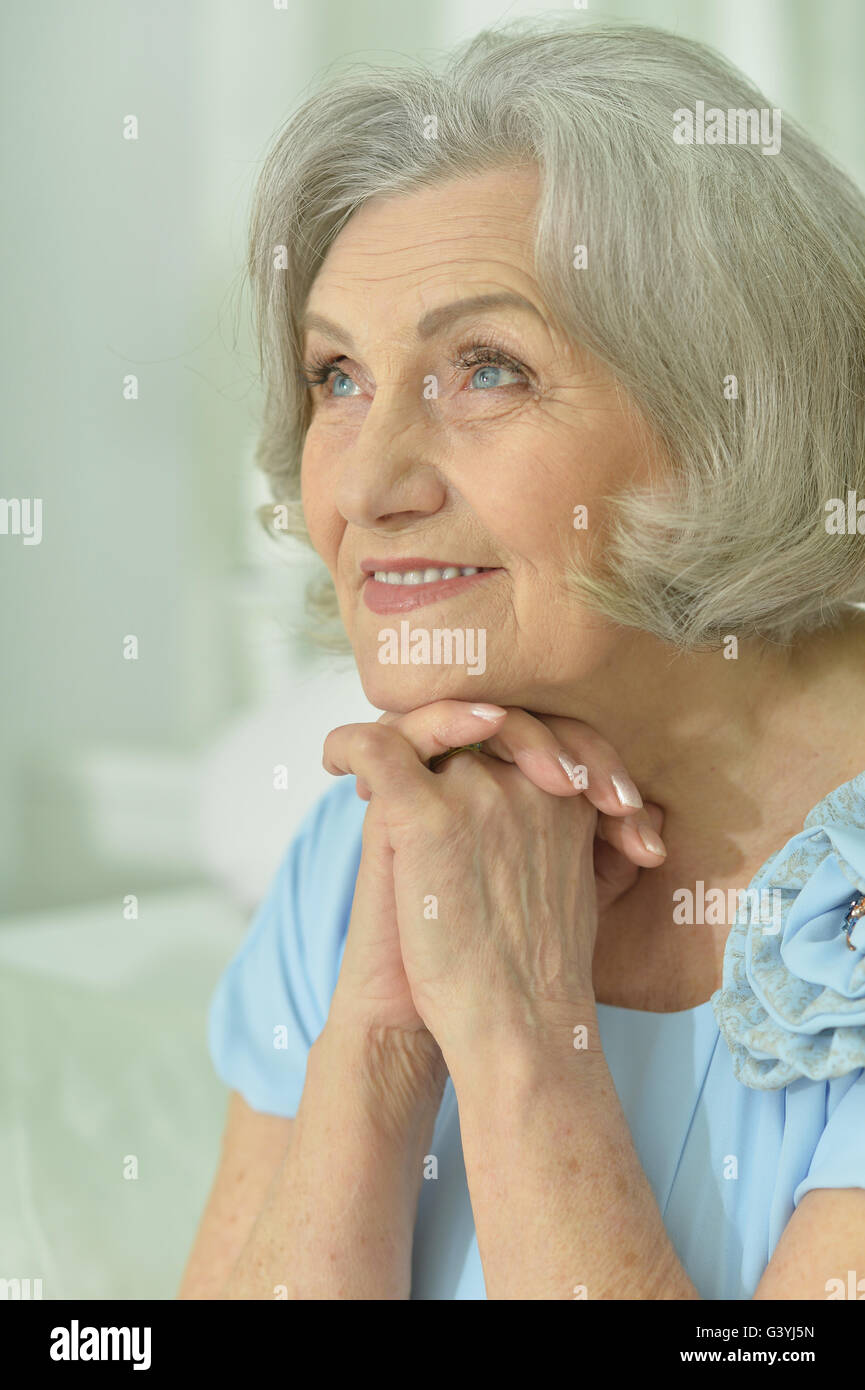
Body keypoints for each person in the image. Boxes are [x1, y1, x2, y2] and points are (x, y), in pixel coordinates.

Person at [179, 19, 865, 1299]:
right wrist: (377, 1047)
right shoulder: (372, 844)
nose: (366, 483)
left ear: (734, 404)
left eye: (482, 369)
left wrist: (515, 1039)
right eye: (337, 376)